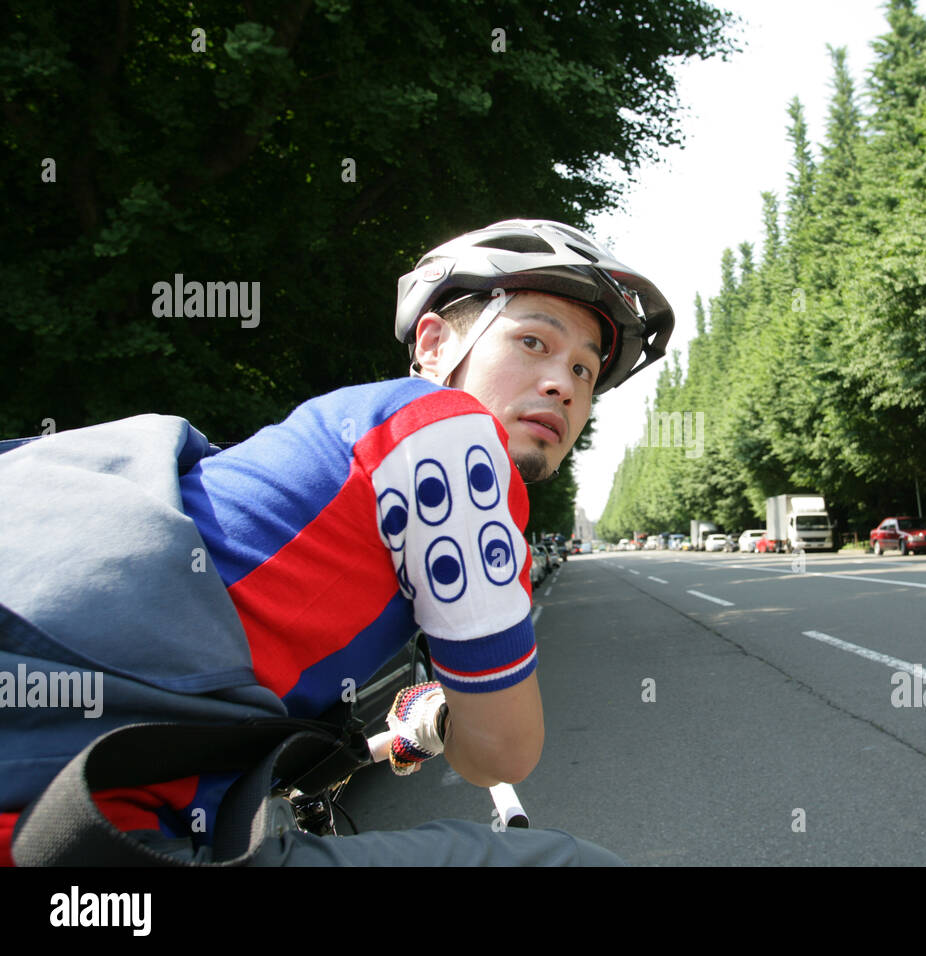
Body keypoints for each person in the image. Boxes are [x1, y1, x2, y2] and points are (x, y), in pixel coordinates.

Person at [0, 220, 673, 865]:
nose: (563, 385)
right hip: (89, 834)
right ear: (433, 344)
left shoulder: (322, 449)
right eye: (533, 342)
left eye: (586, 371)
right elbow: (502, 753)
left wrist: (414, 728)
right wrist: (462, 718)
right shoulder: (449, 434)